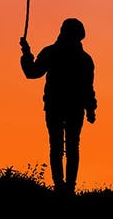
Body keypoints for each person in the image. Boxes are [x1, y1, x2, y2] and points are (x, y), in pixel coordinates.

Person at [20, 17, 97, 195]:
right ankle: (68, 187)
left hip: (55, 106)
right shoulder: (85, 59)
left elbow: (31, 73)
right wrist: (91, 109)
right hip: (74, 107)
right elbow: (88, 88)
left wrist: (26, 53)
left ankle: (60, 186)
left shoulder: (52, 52)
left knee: (56, 145)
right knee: (71, 146)